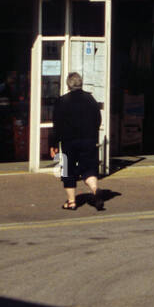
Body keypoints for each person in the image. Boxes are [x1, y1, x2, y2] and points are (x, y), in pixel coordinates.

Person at [51, 72, 103, 210]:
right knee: (89, 169)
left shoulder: (62, 101)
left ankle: (71, 202)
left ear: (68, 85)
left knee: (68, 171)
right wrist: (93, 135)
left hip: (69, 142)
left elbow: (57, 125)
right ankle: (95, 190)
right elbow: (98, 120)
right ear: (81, 83)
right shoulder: (90, 99)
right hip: (88, 140)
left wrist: (54, 144)